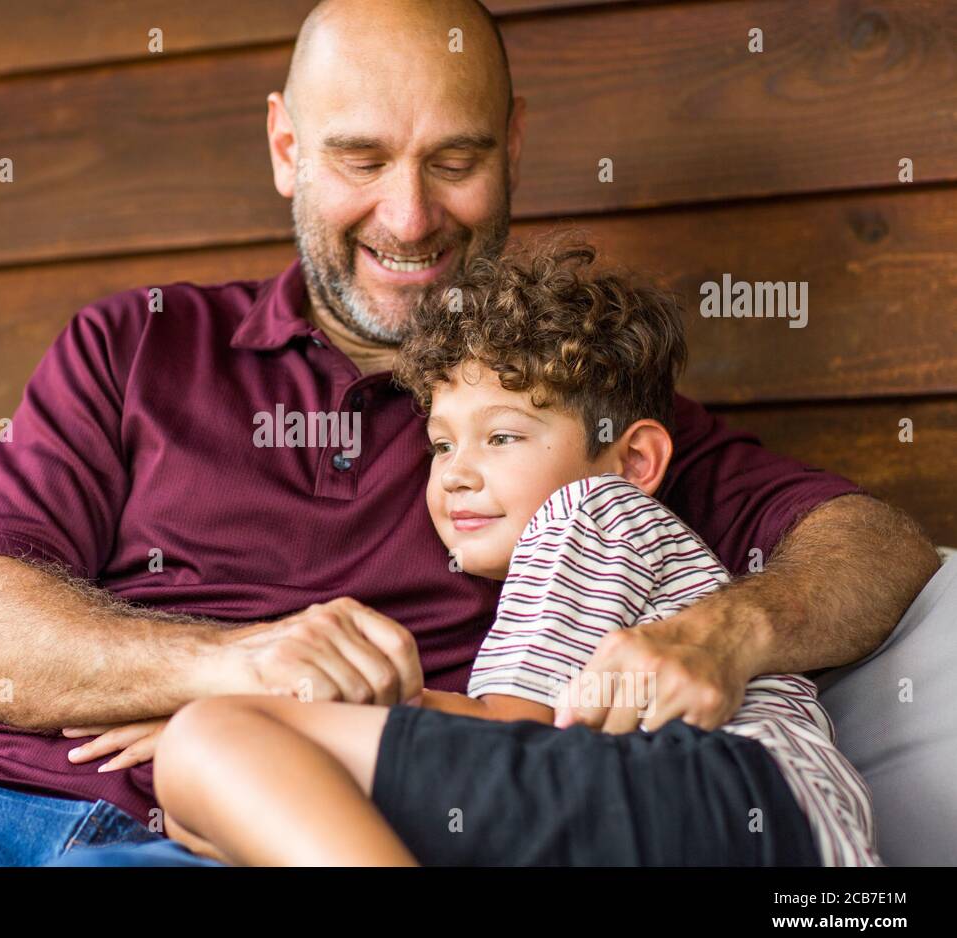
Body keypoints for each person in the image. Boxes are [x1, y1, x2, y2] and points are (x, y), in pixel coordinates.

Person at [0, 0, 937, 867]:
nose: (407, 214)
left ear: (514, 151)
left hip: (210, 844)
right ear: (284, 146)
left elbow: (872, 546)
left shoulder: (560, 407)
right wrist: (244, 665)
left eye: (455, 159)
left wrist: (731, 628)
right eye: (359, 155)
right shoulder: (135, 343)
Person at [134, 236, 882, 866]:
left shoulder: (588, 512)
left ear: (631, 461)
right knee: (205, 815)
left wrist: (264, 711)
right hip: (751, 825)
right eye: (441, 444)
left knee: (213, 739)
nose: (457, 471)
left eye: (502, 437)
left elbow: (512, 726)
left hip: (741, 796)